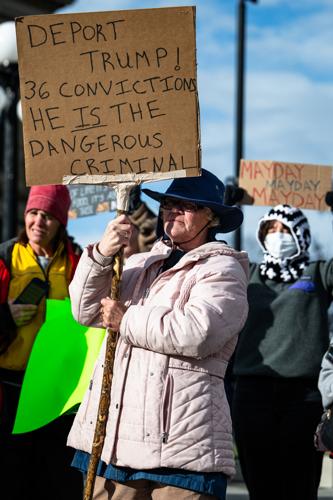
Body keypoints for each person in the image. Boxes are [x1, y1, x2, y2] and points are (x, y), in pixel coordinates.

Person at [67, 168, 249, 499]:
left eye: (186, 205)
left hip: (182, 450)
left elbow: (198, 332)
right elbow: (85, 310)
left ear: (212, 217)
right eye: (168, 203)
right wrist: (100, 256)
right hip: (116, 443)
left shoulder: (224, 270)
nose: (172, 210)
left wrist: (126, 319)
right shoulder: (138, 263)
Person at [231, 202, 333, 500]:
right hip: (251, 392)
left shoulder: (318, 272)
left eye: (284, 229)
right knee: (260, 484)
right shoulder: (246, 272)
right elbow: (207, 259)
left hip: (303, 396)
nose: (277, 235)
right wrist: (225, 211)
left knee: (300, 485)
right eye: (270, 229)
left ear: (300, 234)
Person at [0, 184, 83, 500]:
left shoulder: (77, 260)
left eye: (48, 215)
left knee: (56, 480)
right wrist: (7, 316)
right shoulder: (5, 256)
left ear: (61, 222)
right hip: (11, 391)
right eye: (33, 213)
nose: (38, 222)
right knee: (12, 477)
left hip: (58, 394)